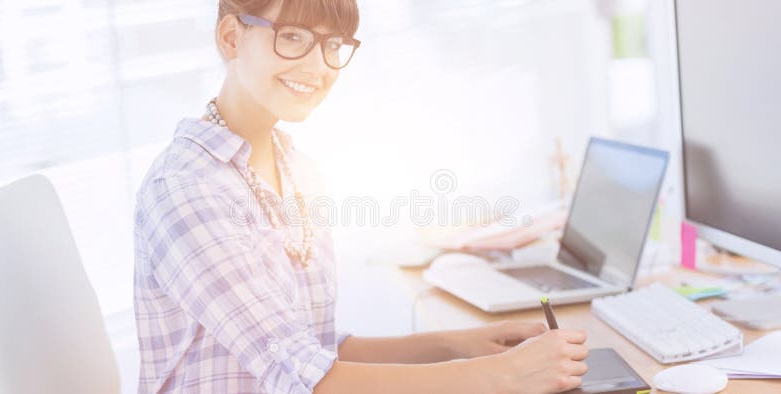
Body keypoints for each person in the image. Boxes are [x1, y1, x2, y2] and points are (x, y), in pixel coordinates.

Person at [133, 0, 589, 392]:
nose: (318, 67)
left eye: (333, 45)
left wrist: (456, 345)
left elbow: (316, 347)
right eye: (293, 37)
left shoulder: (296, 169)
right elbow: (304, 379)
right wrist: (500, 376)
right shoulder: (186, 191)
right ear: (232, 38)